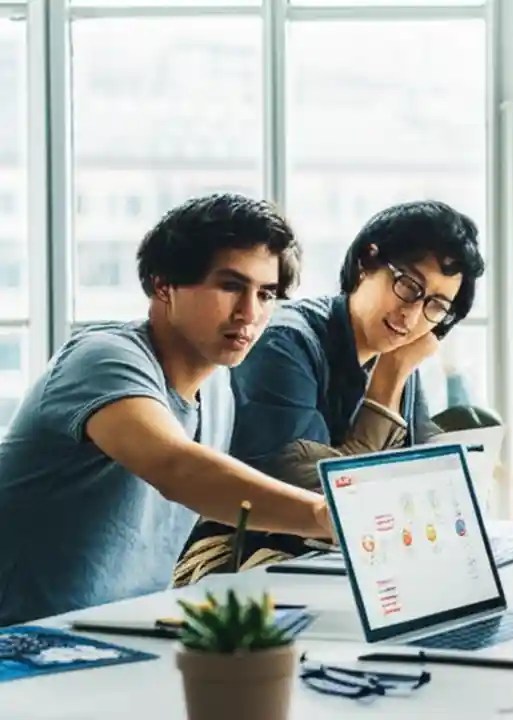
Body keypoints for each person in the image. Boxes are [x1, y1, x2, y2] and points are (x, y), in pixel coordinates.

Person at [0, 194, 332, 626]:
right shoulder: (103, 359)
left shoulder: (218, 389)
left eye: (266, 293)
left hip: (124, 631)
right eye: (230, 286)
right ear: (163, 286)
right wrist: (327, 515)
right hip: (24, 640)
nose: (250, 313)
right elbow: (177, 468)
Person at [173, 200, 487, 583]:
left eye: (435, 306)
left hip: (343, 554)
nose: (413, 315)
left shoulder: (397, 352)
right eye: (408, 286)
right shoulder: (284, 342)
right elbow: (324, 493)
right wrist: (387, 384)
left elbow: (425, 477)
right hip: (238, 553)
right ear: (366, 262)